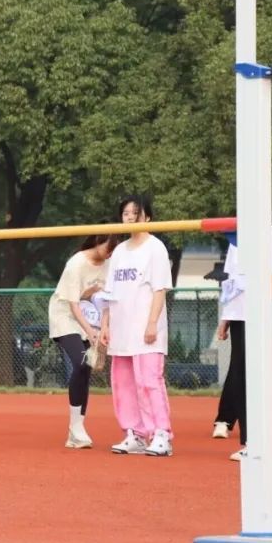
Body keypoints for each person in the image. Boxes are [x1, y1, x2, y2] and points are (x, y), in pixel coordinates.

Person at [100, 195, 174, 457]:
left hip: (145, 331)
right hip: (121, 330)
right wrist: (105, 324)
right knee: (123, 383)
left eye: (135, 213)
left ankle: (161, 433)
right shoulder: (119, 251)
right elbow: (110, 292)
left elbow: (159, 289)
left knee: (149, 381)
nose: (130, 218)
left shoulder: (156, 248)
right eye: (125, 214)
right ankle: (135, 433)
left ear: (147, 217)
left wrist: (152, 323)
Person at [212, 226, 272, 461]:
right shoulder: (237, 239)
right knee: (241, 380)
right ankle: (249, 442)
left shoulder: (270, 236)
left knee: (259, 382)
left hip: (262, 319)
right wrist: (225, 318)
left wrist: (260, 317)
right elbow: (230, 283)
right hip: (239, 318)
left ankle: (258, 442)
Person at [49, 232, 119, 449]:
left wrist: (104, 327)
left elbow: (107, 300)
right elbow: (73, 304)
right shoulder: (76, 264)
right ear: (98, 241)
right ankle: (76, 430)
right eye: (109, 246)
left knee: (86, 369)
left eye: (114, 249)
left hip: (92, 316)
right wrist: (90, 331)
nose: (110, 252)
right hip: (66, 317)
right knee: (80, 363)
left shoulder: (109, 265)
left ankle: (76, 429)